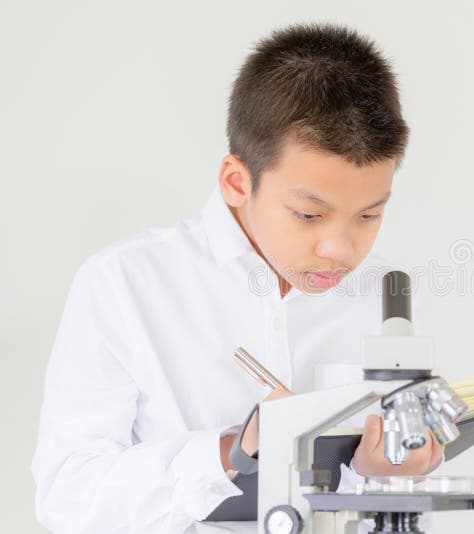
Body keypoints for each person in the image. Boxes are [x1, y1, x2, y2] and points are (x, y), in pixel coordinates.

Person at [31, 22, 443, 534]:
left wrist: (377, 473)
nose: (340, 250)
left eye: (369, 215)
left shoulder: (384, 296)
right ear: (236, 181)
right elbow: (67, 498)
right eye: (309, 215)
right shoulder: (124, 283)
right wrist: (232, 449)